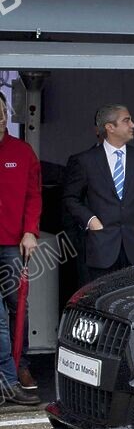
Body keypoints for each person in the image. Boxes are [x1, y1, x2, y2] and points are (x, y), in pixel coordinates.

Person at [63, 105, 134, 282]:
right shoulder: (85, 160)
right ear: (110, 127)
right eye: (126, 120)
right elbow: (70, 198)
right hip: (101, 248)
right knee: (101, 301)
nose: (133, 125)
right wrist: (90, 220)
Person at [0, 91, 41, 405]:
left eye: (1, 112)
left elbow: (33, 196)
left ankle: (20, 365)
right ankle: (7, 377)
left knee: (18, 309)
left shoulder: (23, 152)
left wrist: (30, 231)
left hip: (14, 244)